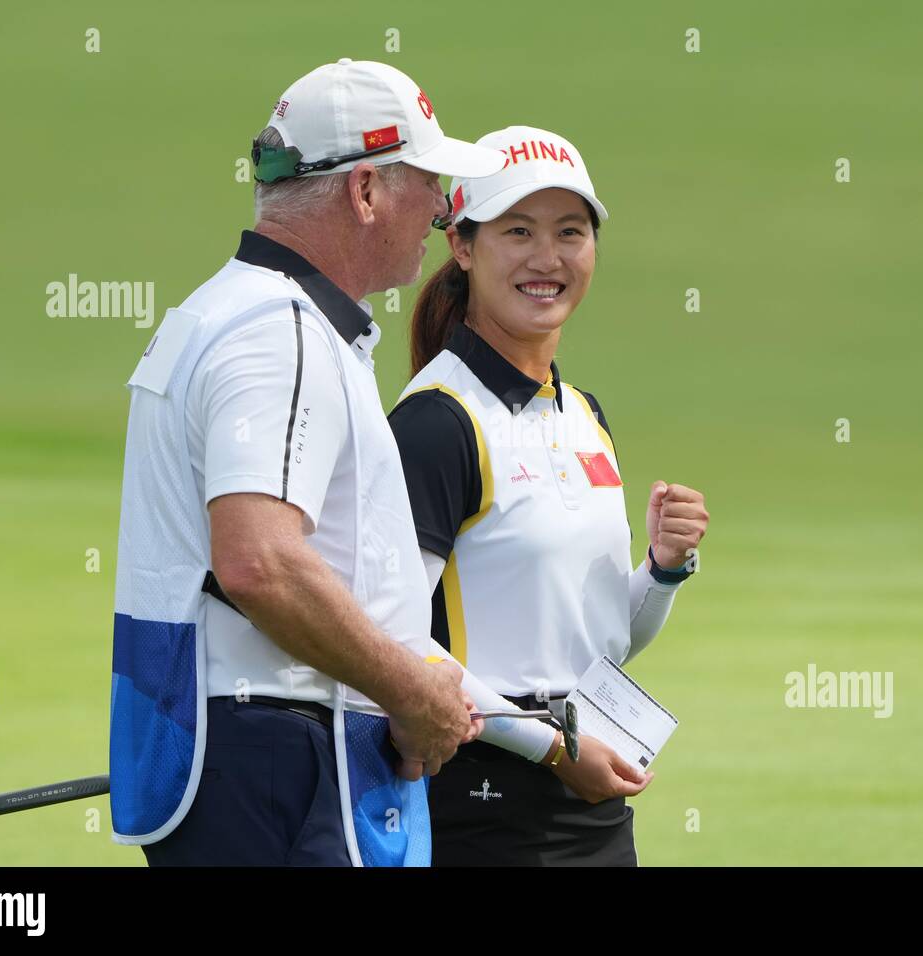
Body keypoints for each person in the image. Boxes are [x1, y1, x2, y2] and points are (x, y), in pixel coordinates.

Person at [109, 59, 509, 866]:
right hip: (275, 754)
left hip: (232, 745)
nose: (440, 209)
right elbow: (259, 561)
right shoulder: (280, 332)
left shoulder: (221, 312)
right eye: (425, 182)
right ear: (364, 193)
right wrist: (405, 688)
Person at [389, 126, 710, 865]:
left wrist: (662, 570)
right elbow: (396, 641)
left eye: (571, 232)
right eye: (519, 231)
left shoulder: (585, 415)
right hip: (480, 802)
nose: (548, 258)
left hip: (588, 793)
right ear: (463, 248)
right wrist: (552, 749)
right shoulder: (438, 421)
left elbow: (603, 640)